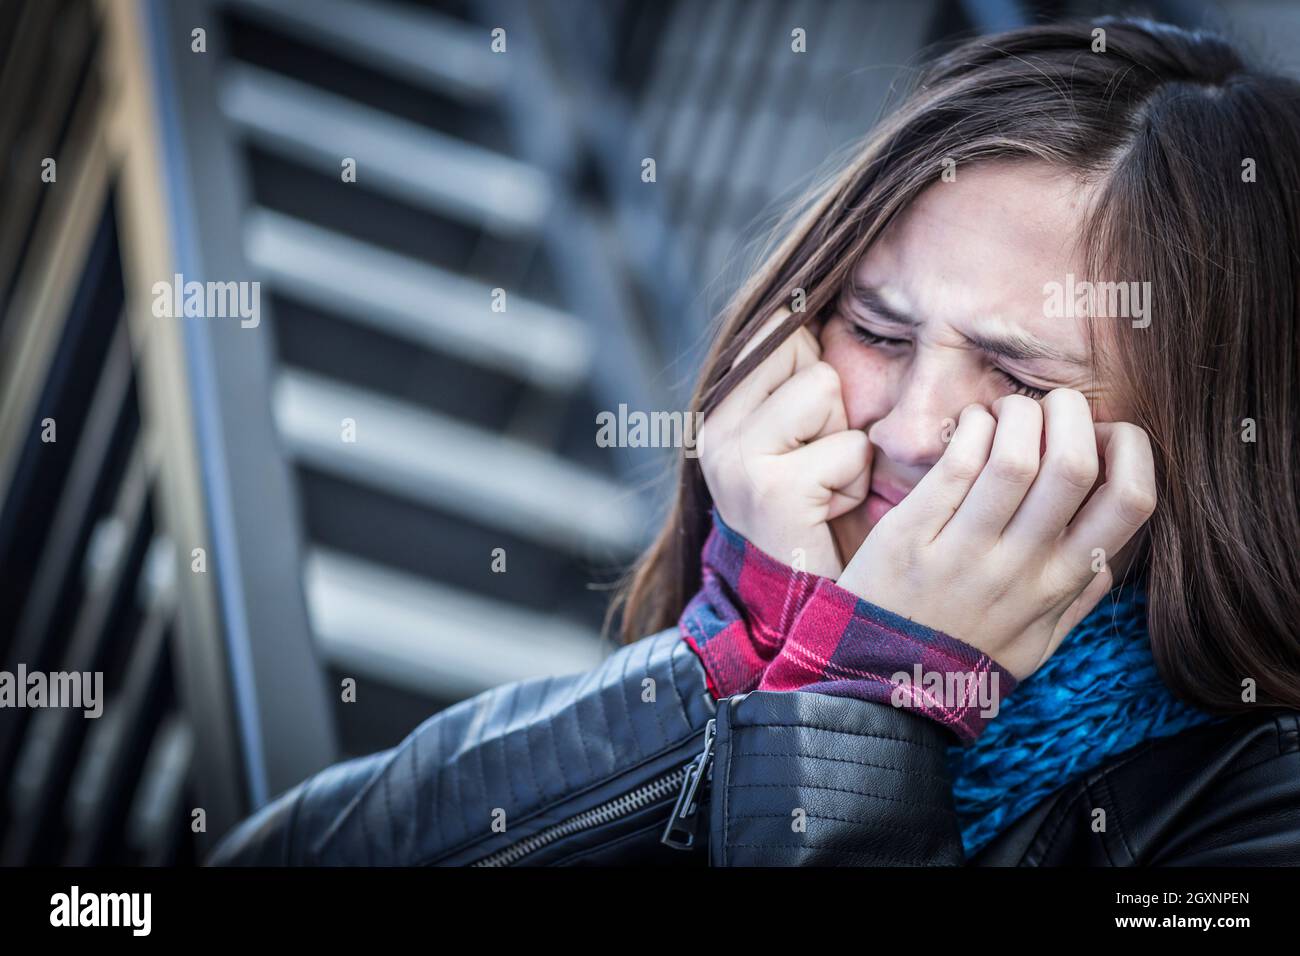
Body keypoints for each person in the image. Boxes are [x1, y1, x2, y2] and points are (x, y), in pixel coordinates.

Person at [208, 17, 1300, 866]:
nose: (908, 426)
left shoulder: (1255, 809)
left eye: (1016, 375)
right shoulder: (773, 627)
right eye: (875, 328)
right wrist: (746, 661)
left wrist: (871, 721)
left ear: (1209, 448)